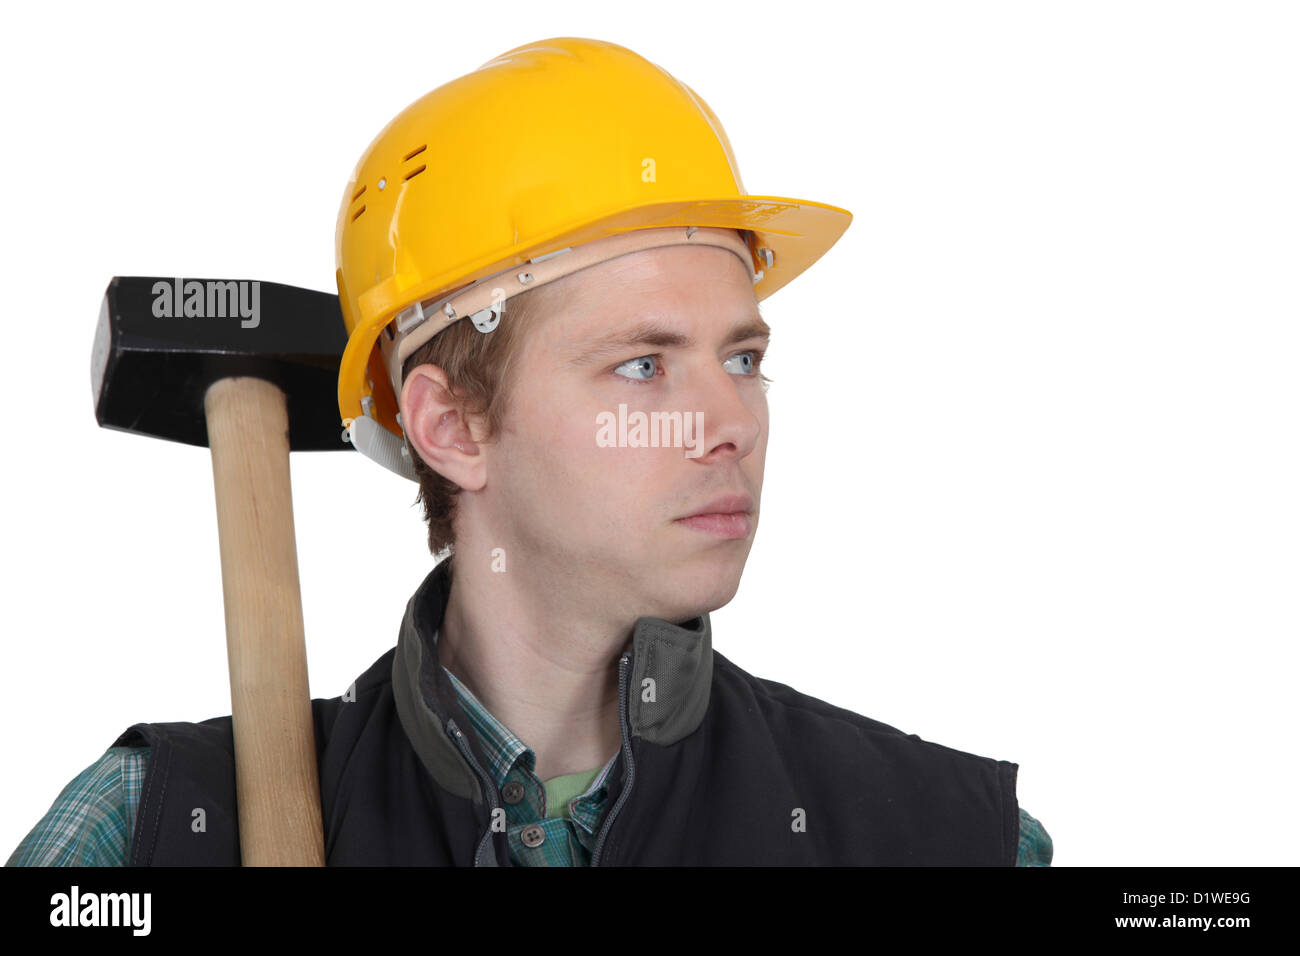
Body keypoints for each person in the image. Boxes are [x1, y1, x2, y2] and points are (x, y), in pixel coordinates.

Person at [9, 36, 1051, 867]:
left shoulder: (946, 838)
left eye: (741, 356)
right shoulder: (147, 832)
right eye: (643, 365)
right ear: (451, 424)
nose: (729, 421)